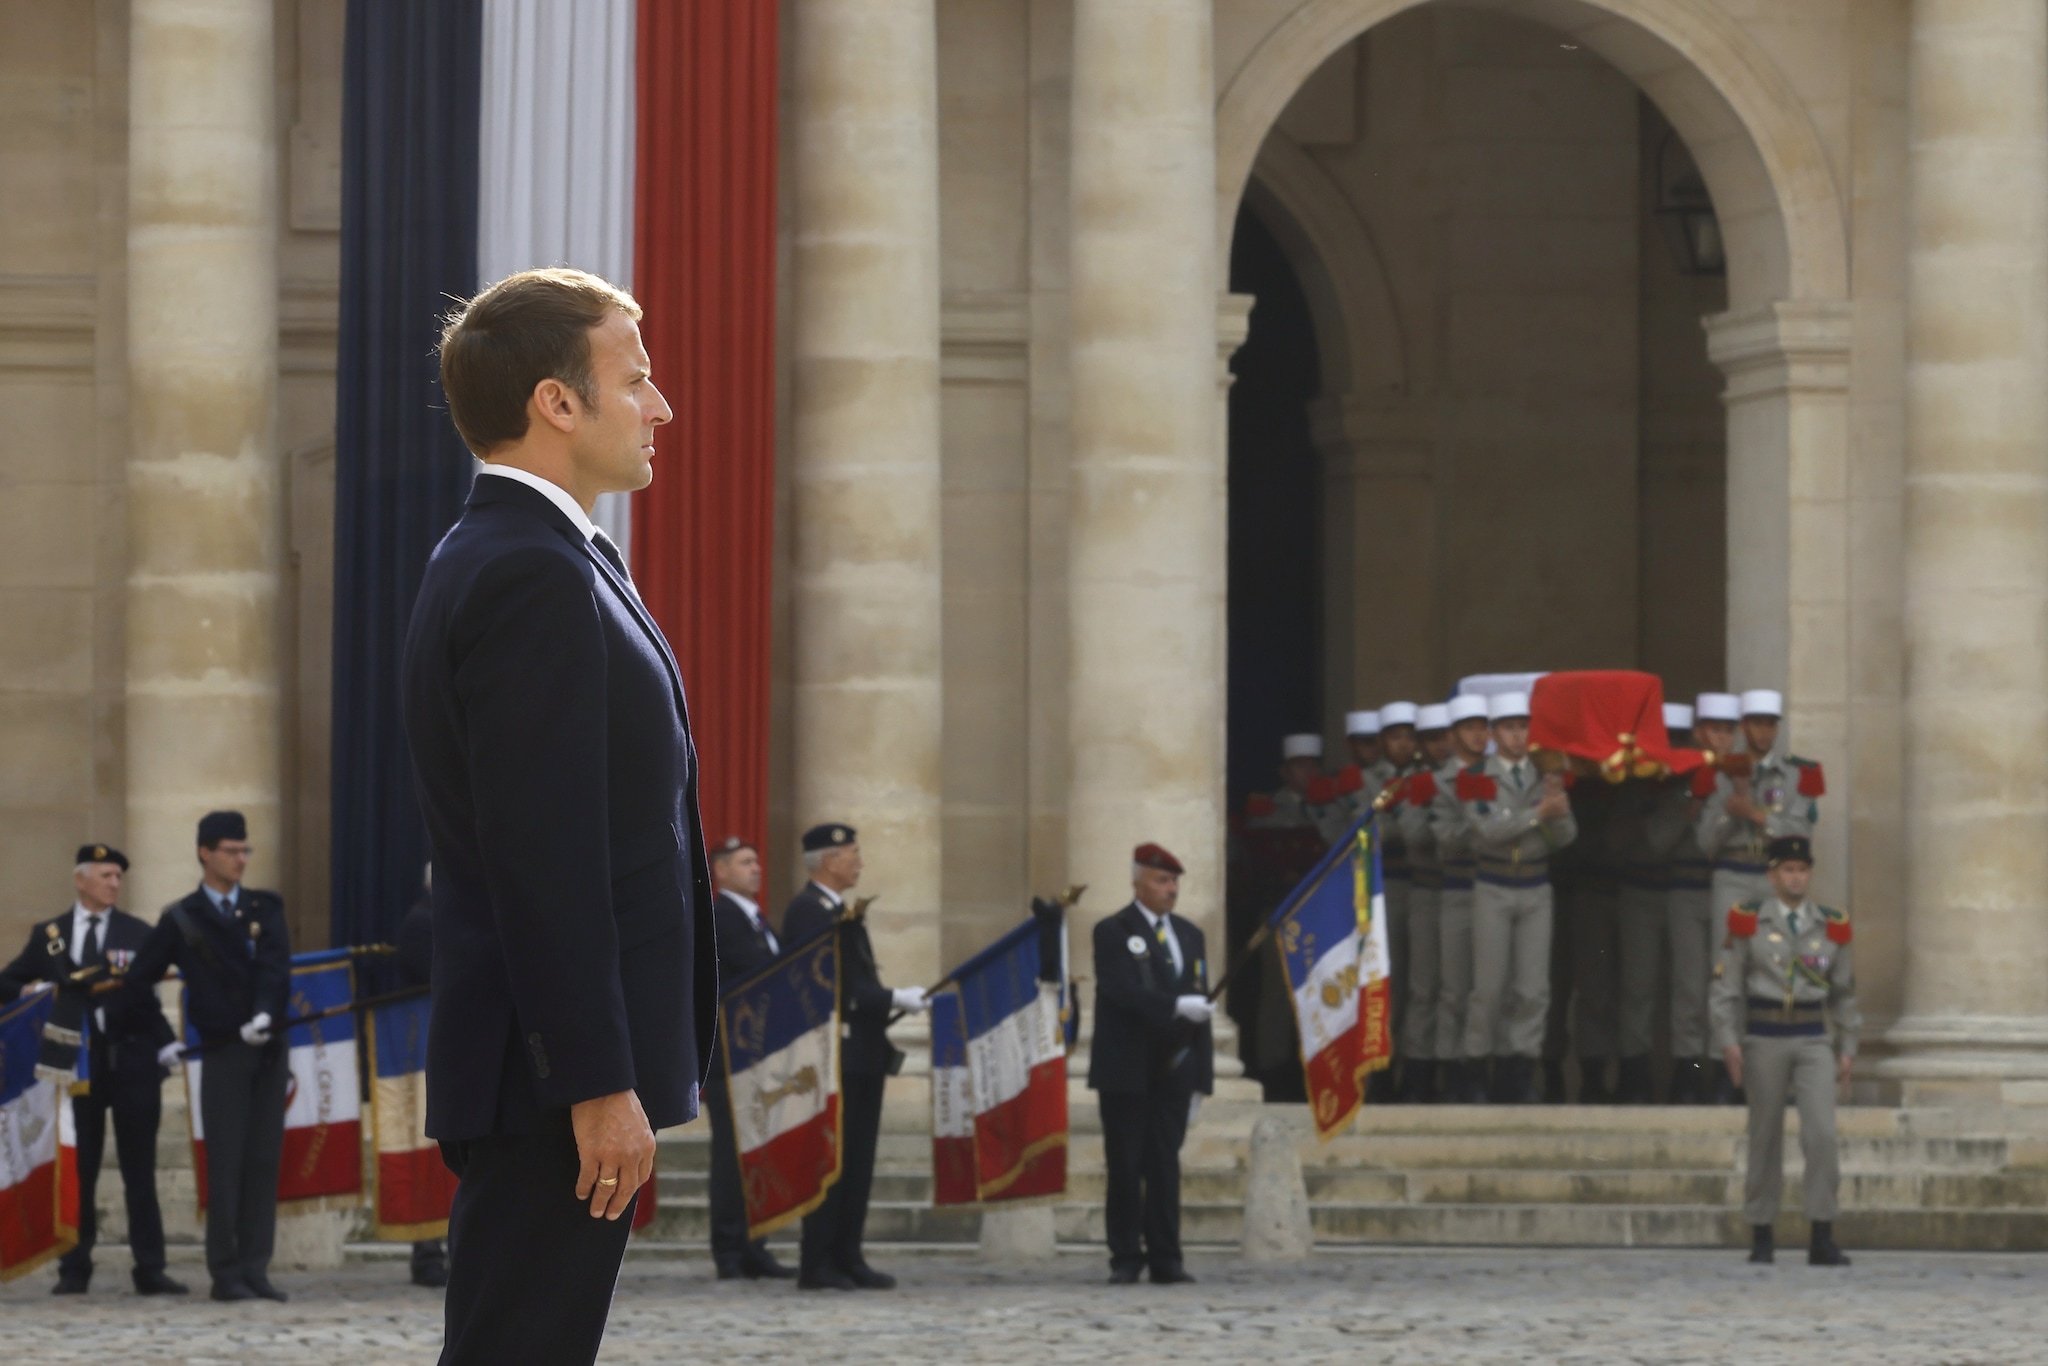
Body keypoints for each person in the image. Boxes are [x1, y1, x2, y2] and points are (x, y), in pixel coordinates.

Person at [401, 268, 718, 1365]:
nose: (660, 405)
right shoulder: (528, 571)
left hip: (552, 1069)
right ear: (557, 402)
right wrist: (595, 1081)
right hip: (547, 1079)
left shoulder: (547, 555)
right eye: (635, 378)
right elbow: (544, 856)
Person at [121, 811, 291, 1301]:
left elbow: (277, 968)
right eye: (231, 851)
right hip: (222, 1053)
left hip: (267, 1049)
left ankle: (257, 1266)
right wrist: (163, 1038)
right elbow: (138, 981)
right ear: (205, 853)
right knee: (227, 1162)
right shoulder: (183, 917)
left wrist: (263, 1014)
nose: (241, 859)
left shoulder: (265, 907)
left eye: (245, 851)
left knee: (262, 1162)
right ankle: (226, 1270)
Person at [0, 844, 184, 1296]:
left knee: (139, 1170)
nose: (114, 884)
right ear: (81, 880)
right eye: (106, 876)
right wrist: (34, 987)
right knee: (78, 1168)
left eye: (119, 877)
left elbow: (147, 995)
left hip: (133, 1061)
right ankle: (74, 1267)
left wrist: (167, 1043)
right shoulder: (51, 935)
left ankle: (150, 1268)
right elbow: (6, 982)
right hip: (76, 1068)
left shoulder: (139, 932)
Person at [782, 824, 928, 1291]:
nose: (859, 862)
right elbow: (822, 982)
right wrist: (891, 998)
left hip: (861, 1052)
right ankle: (818, 1259)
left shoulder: (841, 911)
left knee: (858, 1159)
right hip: (832, 1055)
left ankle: (848, 1254)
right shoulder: (808, 911)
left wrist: (887, 1000)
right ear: (828, 860)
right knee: (832, 1159)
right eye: (852, 854)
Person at [1711, 835, 1857, 1267]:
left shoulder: (1832, 925)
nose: (1797, 877)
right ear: (1773, 876)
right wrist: (1728, 1041)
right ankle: (1761, 1232)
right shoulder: (1747, 921)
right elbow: (1727, 986)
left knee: (1821, 1134)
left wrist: (1848, 1044)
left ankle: (1822, 1232)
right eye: (1788, 870)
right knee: (1765, 1135)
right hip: (1765, 1033)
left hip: (1813, 1036)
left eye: (1802, 870)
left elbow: (1844, 992)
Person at [1088, 843, 1214, 1285]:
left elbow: (1204, 1009)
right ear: (1138, 883)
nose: (1170, 889)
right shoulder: (1113, 930)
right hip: (1128, 1067)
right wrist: (1176, 1006)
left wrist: (1203, 1077)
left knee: (1164, 1164)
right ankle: (1125, 1255)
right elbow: (1122, 991)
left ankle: (1166, 1256)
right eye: (1161, 881)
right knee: (1124, 1164)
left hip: (1174, 1068)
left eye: (1174, 881)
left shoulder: (1189, 934)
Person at [1456, 693, 1577, 1103]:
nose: (1517, 736)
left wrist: (1555, 808)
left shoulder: (1544, 774)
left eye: (1523, 727)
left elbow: (1566, 837)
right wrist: (1536, 815)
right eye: (1508, 728)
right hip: (1493, 882)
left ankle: (1519, 1070)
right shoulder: (1476, 774)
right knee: (1488, 988)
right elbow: (1485, 831)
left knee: (1532, 989)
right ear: (1493, 733)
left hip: (1534, 883)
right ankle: (1476, 1070)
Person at [705, 837, 793, 1280]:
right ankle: (729, 1248)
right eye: (745, 862)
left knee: (758, 1155)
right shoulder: (720, 917)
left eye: (757, 860)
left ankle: (756, 1242)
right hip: (731, 1058)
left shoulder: (760, 922)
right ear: (719, 871)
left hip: (763, 1060)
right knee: (730, 1158)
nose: (756, 867)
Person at [1696, 689, 1823, 918]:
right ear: (1743, 727)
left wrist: (1755, 815)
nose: (1765, 733)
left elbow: (1802, 832)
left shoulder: (1796, 774)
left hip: (1776, 875)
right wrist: (1730, 813)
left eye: (1771, 725)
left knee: (1777, 951)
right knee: (1728, 949)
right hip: (1731, 874)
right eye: (1757, 724)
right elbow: (1706, 843)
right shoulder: (1723, 773)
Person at [1429, 695, 1490, 1102]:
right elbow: (1444, 841)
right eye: (1469, 728)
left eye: (1482, 726)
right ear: (1453, 736)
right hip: (1457, 889)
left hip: (1494, 885)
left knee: (1488, 989)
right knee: (1453, 988)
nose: (1478, 735)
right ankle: (1448, 1071)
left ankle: (1481, 1069)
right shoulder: (1438, 782)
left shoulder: (1499, 774)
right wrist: (1484, 827)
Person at [394, 870, 447, 1289]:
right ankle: (427, 1254)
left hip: (459, 1062)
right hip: (426, 1062)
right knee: (429, 1161)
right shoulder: (420, 922)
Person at [1395, 704, 1451, 1102]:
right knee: (1423, 987)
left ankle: (1455, 1074)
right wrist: (1438, 807)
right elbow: (1412, 833)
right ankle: (1416, 1075)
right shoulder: (1416, 780)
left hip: (1467, 888)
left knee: (1459, 990)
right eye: (1433, 739)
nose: (1443, 745)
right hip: (1428, 888)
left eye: (1448, 735)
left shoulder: (1473, 776)